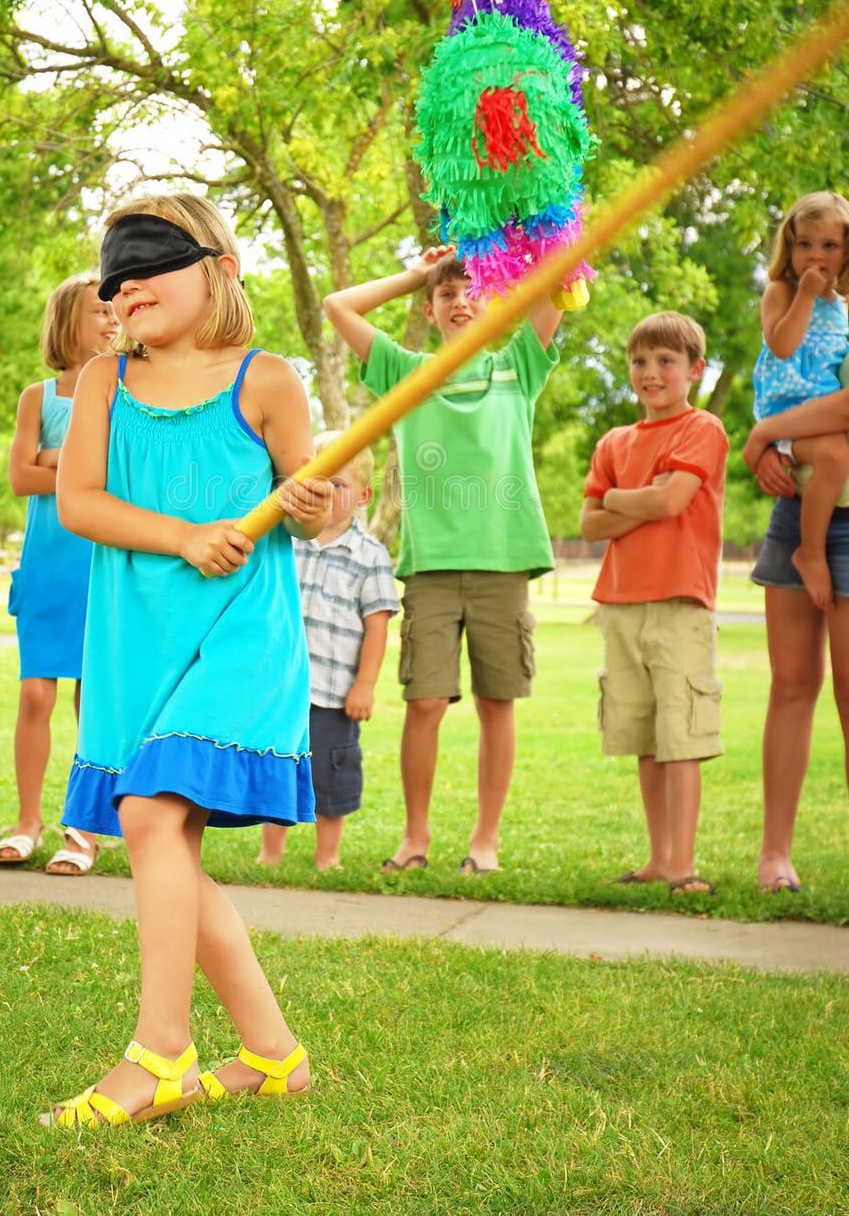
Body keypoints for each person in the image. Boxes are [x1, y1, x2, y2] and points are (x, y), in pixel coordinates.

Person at [42, 194, 334, 1128]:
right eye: (113, 281)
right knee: (158, 834)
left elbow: (320, 503)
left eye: (147, 270)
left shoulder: (268, 380)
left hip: (241, 637)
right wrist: (184, 535)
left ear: (218, 267)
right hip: (138, 643)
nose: (126, 292)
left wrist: (318, 501)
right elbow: (80, 502)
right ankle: (273, 1053)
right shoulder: (102, 382)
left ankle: (160, 1054)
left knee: (150, 813)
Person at [323, 245, 560, 876]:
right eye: (447, 295)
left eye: (475, 289)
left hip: (503, 563)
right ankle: (415, 837)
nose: (462, 302)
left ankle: (485, 840)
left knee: (496, 703)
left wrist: (506, 255)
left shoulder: (519, 366)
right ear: (428, 310)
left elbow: (555, 281)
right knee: (425, 703)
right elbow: (336, 305)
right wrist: (417, 273)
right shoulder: (407, 372)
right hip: (429, 566)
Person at [579, 312, 728, 897]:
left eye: (666, 361)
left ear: (695, 369)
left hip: (679, 605)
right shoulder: (615, 441)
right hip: (621, 604)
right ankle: (659, 859)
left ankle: (685, 865)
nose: (651, 372)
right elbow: (589, 524)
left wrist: (617, 498)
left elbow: (673, 502)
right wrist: (631, 500)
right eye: (640, 361)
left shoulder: (703, 429)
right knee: (645, 738)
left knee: (680, 737)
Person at [0, 273, 117, 874]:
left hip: (105, 566)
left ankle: (84, 830)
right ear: (67, 321)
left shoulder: (127, 389)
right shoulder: (37, 397)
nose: (114, 319)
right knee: (37, 693)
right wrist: (74, 462)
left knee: (93, 701)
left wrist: (52, 459)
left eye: (117, 311)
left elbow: (120, 475)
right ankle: (27, 821)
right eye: (101, 311)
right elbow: (20, 479)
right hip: (47, 569)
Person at [257, 435, 399, 871]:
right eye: (318, 481)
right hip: (281, 682)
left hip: (335, 691)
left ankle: (328, 855)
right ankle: (271, 851)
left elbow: (377, 623)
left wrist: (366, 686)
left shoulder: (370, 555)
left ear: (363, 495)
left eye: (338, 485)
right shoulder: (287, 541)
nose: (326, 493)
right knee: (275, 766)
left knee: (331, 774)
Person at [747, 191, 849, 610]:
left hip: (819, 414)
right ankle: (809, 551)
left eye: (829, 246)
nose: (815, 256)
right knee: (836, 458)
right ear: (788, 247)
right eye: (804, 244)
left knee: (836, 454)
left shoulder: (841, 307)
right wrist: (805, 295)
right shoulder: (780, 291)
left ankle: (810, 548)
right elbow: (784, 345)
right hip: (785, 410)